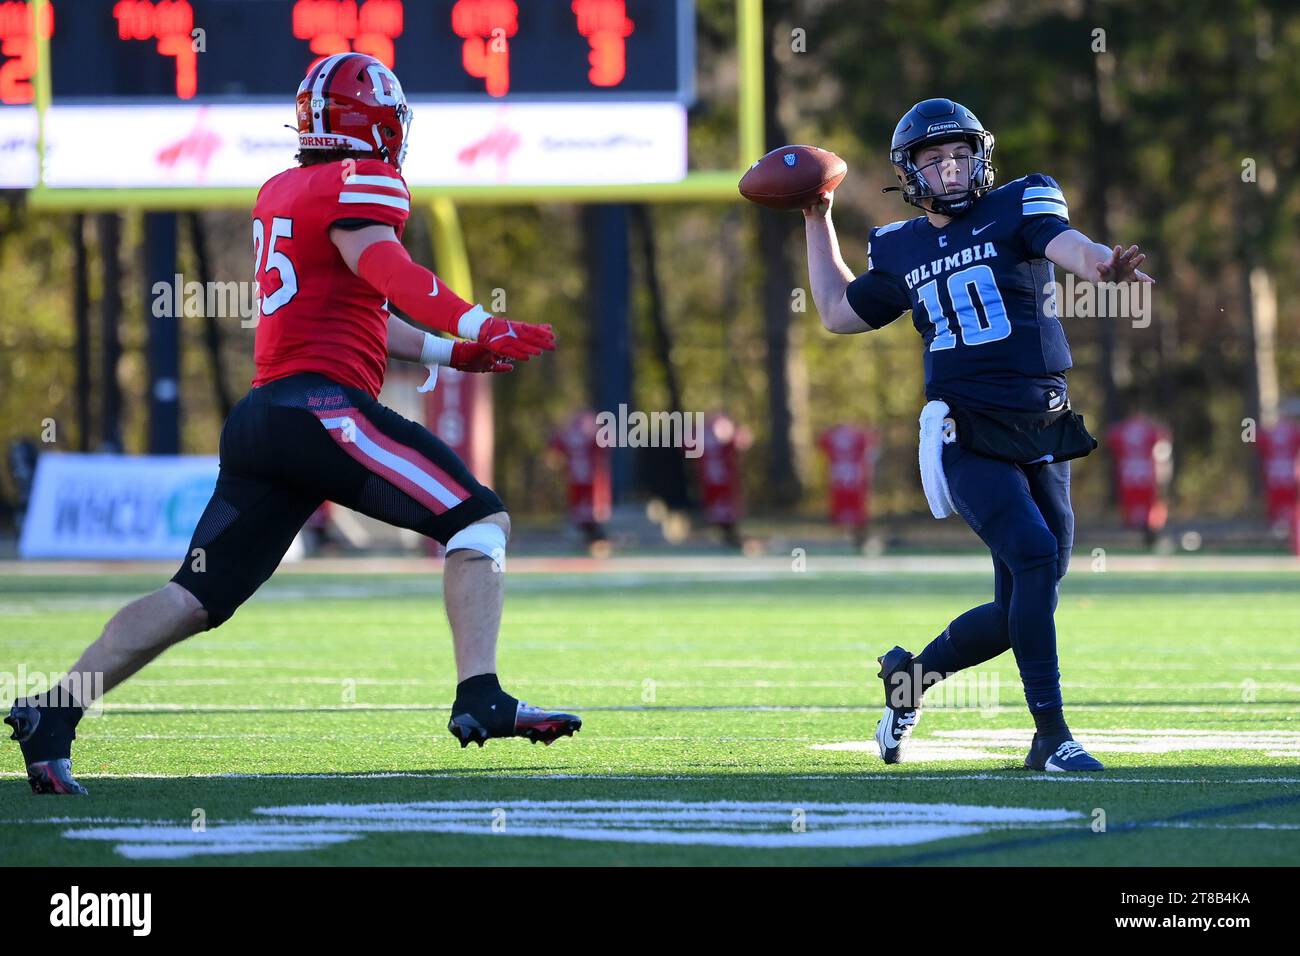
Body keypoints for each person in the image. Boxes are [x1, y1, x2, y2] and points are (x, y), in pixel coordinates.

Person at [7, 53, 581, 795]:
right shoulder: (361, 185)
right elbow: (393, 277)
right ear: (373, 123)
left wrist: (453, 350)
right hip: (321, 411)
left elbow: (367, 312)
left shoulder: (284, 189)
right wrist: (478, 319)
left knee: (194, 595)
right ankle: (481, 695)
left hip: (263, 421)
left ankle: (53, 713)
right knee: (478, 521)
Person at [802, 98, 1154, 772]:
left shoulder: (1021, 204)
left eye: (961, 154)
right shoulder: (899, 245)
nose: (953, 168)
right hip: (965, 432)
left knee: (1025, 598)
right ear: (911, 173)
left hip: (1045, 425)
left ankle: (907, 680)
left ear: (981, 157)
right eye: (935, 159)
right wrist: (816, 220)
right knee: (1031, 553)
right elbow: (839, 312)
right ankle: (1051, 738)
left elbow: (1066, 245)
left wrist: (1102, 264)